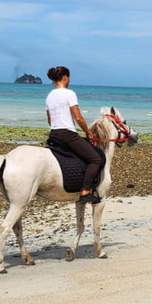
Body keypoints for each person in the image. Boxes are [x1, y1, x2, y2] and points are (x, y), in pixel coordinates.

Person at [44, 65, 104, 203]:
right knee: (96, 159)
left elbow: (50, 120)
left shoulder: (49, 96)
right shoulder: (69, 93)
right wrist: (88, 132)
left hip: (54, 135)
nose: (69, 80)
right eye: (69, 78)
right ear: (65, 78)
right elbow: (78, 117)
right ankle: (85, 192)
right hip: (67, 135)